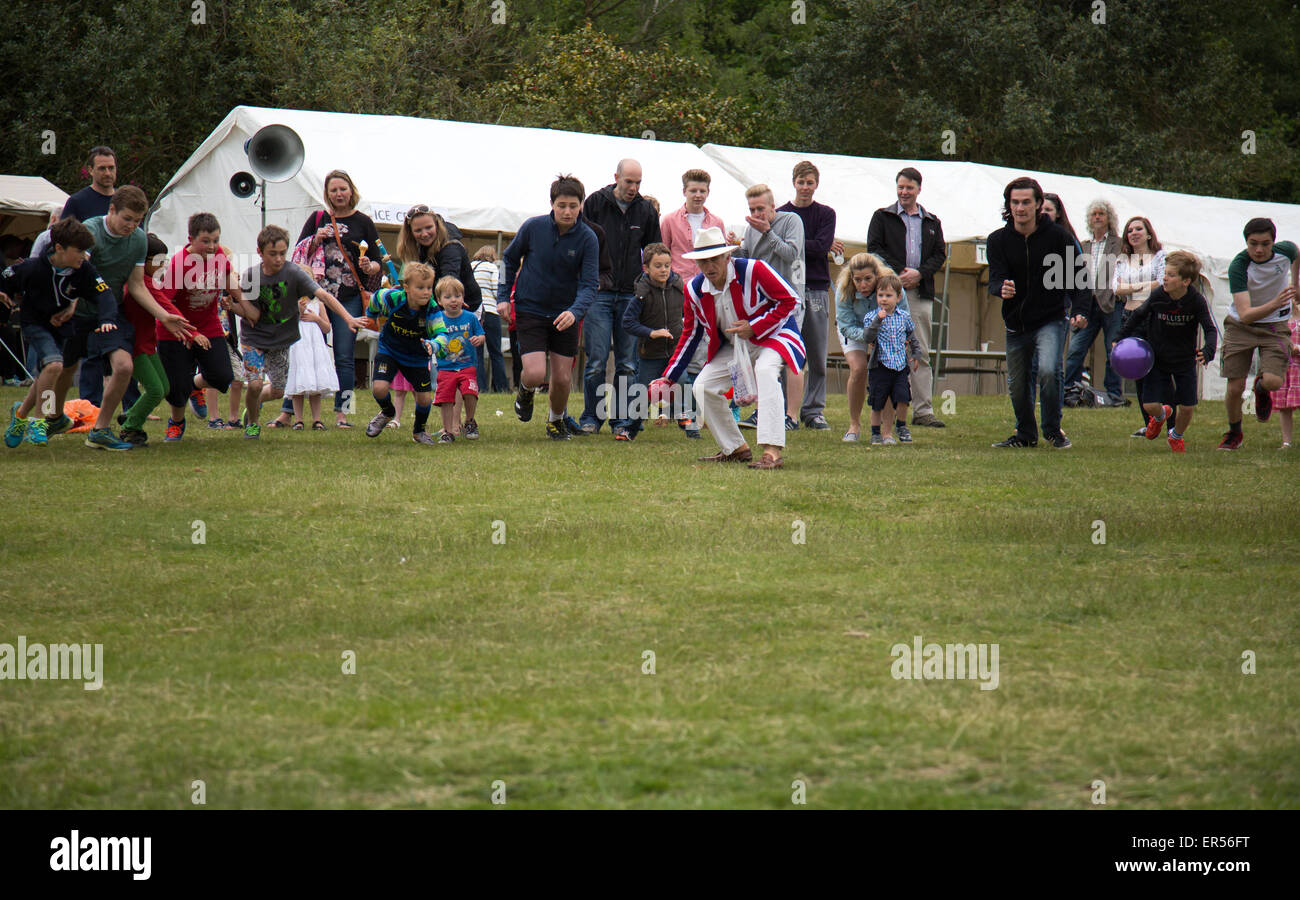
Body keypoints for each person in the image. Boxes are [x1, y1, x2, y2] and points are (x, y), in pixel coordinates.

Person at [32, 186, 195, 449]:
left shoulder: (139, 240)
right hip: (76, 312)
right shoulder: (91, 231)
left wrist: (164, 316)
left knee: (124, 367)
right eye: (127, 219)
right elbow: (76, 271)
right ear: (111, 210)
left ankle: (101, 429)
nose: (131, 226)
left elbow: (137, 285)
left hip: (110, 312)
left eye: (137, 221)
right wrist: (71, 303)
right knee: (61, 370)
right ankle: (52, 416)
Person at [650, 226, 805, 470]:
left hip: (774, 336)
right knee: (703, 387)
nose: (709, 266)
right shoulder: (694, 290)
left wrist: (754, 326)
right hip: (734, 346)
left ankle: (772, 451)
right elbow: (690, 334)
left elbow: (790, 299)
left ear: (727, 257)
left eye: (714, 259)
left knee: (765, 371)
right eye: (703, 261)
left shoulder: (754, 269)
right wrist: (669, 378)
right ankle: (735, 448)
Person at [986, 176, 1090, 449]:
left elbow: (1079, 279)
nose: (1020, 208)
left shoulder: (1059, 238)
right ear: (1009, 205)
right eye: (1015, 202)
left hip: (1051, 318)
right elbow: (995, 277)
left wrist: (1080, 310)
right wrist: (1001, 288)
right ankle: (1025, 435)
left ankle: (1054, 431)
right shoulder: (998, 240)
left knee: (1047, 370)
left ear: (1039, 204)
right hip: (1016, 323)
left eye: (1026, 202)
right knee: (1018, 383)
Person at [230, 225, 362, 439]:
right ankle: (253, 424)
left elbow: (324, 296)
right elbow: (249, 313)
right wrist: (233, 306)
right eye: (273, 254)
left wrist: (348, 317)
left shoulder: (294, 273)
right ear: (260, 252)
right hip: (253, 338)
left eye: (282, 253)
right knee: (254, 384)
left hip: (281, 340)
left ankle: (253, 407)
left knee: (279, 390)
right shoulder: (252, 276)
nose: (279, 259)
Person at [500, 174, 600, 441]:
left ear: (581, 205)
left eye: (573, 206)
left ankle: (555, 421)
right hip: (530, 309)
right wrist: (502, 297)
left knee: (563, 379)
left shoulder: (588, 238)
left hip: (565, 315)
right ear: (552, 204)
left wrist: (575, 312)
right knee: (534, 373)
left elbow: (591, 284)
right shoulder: (533, 227)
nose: (567, 211)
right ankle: (525, 389)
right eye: (562, 205)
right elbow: (509, 259)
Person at [1, 219, 109, 447]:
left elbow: (104, 294)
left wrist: (107, 318)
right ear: (59, 248)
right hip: (35, 325)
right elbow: (5, 278)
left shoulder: (84, 271)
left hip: (61, 329)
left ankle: (20, 415)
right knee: (54, 367)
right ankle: (40, 422)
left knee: (47, 375)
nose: (84, 256)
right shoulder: (31, 267)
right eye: (79, 251)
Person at [579, 159, 661, 436]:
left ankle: (624, 420)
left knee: (627, 363)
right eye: (629, 182)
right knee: (596, 361)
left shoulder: (646, 211)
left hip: (631, 295)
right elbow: (581, 244)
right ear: (616, 178)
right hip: (599, 294)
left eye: (638, 183)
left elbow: (654, 253)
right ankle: (591, 416)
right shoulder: (595, 204)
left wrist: (648, 289)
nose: (634, 188)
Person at [295, 170, 381, 428]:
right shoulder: (318, 218)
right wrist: (315, 239)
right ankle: (294, 412)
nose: (339, 194)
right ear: (327, 194)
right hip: (315, 295)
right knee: (305, 352)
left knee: (345, 355)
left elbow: (378, 261)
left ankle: (343, 413)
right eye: (333, 190)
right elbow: (298, 255)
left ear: (351, 190)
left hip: (349, 296)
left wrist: (369, 267)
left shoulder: (363, 221)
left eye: (343, 189)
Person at [152, 212, 245, 442]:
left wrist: (246, 305)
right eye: (206, 241)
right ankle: (176, 423)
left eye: (215, 240)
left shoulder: (220, 256)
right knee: (176, 386)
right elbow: (164, 303)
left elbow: (230, 283)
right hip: (175, 330)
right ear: (191, 239)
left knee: (223, 376)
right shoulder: (179, 263)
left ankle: (195, 386)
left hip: (208, 324)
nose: (212, 246)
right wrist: (191, 333)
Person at [867, 167, 948, 428]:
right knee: (886, 349)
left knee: (919, 349)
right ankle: (887, 407)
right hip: (889, 294)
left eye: (909, 187)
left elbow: (939, 255)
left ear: (918, 189)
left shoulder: (932, 222)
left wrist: (919, 274)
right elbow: (874, 248)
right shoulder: (882, 217)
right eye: (900, 187)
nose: (904, 191)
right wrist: (897, 273)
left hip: (920, 293)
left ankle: (923, 410)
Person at [1114, 251, 1218, 453]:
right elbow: (1137, 315)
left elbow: (1210, 329)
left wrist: (1208, 350)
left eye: (1171, 275)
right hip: (1158, 358)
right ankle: (1161, 416)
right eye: (1165, 274)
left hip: (1184, 360)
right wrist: (1118, 337)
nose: (1164, 278)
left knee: (1187, 408)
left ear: (1185, 281)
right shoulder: (1158, 295)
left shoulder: (1196, 301)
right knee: (1149, 405)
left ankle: (1176, 436)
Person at [1217, 218, 1297, 450]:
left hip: (1275, 327)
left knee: (1274, 381)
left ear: (1274, 242)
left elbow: (1297, 254)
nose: (1259, 250)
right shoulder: (1238, 266)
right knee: (1234, 386)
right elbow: (1246, 315)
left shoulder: (1286, 251)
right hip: (1241, 326)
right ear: (1246, 243)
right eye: (1253, 244)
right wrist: (1276, 302)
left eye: (1265, 243)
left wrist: (1297, 284)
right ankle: (1234, 432)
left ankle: (1261, 388)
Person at [779, 160, 842, 429]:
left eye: (810, 182)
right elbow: (811, 247)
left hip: (815, 287)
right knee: (787, 352)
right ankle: (784, 409)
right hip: (786, 288)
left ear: (817, 184)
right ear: (794, 182)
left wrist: (790, 244)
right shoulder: (780, 213)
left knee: (816, 352)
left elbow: (819, 248)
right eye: (801, 182)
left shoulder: (826, 214)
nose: (805, 187)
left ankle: (813, 410)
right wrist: (811, 245)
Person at [738, 183, 805, 431]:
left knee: (790, 357)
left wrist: (767, 232)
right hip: (763, 303)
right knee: (762, 356)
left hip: (790, 301)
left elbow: (791, 254)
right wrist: (736, 247)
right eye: (752, 209)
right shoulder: (751, 228)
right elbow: (748, 260)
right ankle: (761, 411)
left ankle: (791, 417)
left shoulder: (791, 221)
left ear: (772, 206)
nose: (756, 214)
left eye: (760, 209)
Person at [362, 263, 449, 444]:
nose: (426, 292)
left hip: (416, 357)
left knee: (425, 399)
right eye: (420, 287)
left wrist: (434, 344)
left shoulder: (432, 309)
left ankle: (419, 431)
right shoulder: (393, 298)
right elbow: (376, 297)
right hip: (390, 351)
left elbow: (443, 334)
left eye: (429, 287)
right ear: (407, 288)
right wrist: (371, 314)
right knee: (379, 388)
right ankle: (387, 412)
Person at [116, 233, 189, 445]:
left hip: (148, 344)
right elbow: (166, 307)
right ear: (142, 260)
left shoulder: (148, 281)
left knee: (164, 388)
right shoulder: (140, 283)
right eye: (158, 261)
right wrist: (192, 332)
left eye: (163, 261)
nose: (162, 266)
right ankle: (131, 428)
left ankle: (130, 416)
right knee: (156, 390)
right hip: (135, 345)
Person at [834, 253, 910, 442]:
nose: (863, 285)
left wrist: (903, 338)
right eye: (858, 280)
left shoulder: (891, 285)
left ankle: (886, 432)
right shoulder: (844, 290)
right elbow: (845, 325)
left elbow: (904, 314)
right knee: (859, 368)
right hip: (855, 331)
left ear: (877, 275)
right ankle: (854, 425)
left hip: (886, 330)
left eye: (868, 279)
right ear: (851, 278)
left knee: (887, 372)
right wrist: (867, 336)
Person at [621, 242, 692, 439]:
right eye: (658, 266)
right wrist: (652, 333)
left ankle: (689, 426)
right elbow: (627, 322)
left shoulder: (679, 287)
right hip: (650, 353)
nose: (663, 270)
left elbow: (690, 310)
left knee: (684, 381)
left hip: (675, 351)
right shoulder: (641, 293)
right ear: (646, 268)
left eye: (667, 265)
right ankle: (630, 428)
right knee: (643, 393)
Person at [1063, 199, 1125, 402]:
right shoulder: (1083, 245)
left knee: (1113, 350)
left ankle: (1114, 395)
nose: (1097, 217)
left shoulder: (1119, 243)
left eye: (1101, 214)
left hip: (1111, 303)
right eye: (1093, 214)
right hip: (1087, 305)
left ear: (1109, 218)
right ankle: (1068, 390)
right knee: (1075, 349)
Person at [1113, 216, 1167, 435]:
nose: (1133, 233)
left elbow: (1163, 284)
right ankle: (1149, 423)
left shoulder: (1159, 256)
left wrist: (1132, 287)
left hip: (1153, 317)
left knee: (1157, 368)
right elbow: (1116, 289)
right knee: (1138, 368)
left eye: (1138, 229)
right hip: (1129, 317)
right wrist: (1146, 286)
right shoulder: (1122, 260)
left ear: (1148, 233)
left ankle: (1165, 414)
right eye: (1129, 230)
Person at [863, 274, 923, 445]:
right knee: (878, 402)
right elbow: (867, 337)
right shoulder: (871, 316)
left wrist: (916, 355)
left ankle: (901, 426)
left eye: (888, 296)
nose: (884, 299)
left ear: (898, 297)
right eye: (880, 295)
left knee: (903, 398)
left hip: (899, 366)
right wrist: (877, 320)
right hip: (880, 366)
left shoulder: (903, 317)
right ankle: (876, 433)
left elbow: (912, 337)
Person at [432, 275, 485, 442]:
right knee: (446, 399)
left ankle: (470, 421)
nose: (453, 300)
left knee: (470, 392)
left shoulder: (470, 317)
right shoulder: (437, 319)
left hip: (467, 365)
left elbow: (481, 335)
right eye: (447, 297)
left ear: (463, 298)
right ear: (439, 301)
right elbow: (431, 338)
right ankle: (447, 431)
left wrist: (479, 339)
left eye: (457, 296)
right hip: (445, 367)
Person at [661, 169, 726, 281]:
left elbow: (722, 256)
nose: (698, 195)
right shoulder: (669, 220)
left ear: (708, 192)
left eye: (702, 191)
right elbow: (662, 254)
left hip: (708, 282)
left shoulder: (717, 222)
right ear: (684, 191)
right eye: (693, 191)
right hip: (679, 284)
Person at [284, 291, 337, 430]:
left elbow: (327, 328)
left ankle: (317, 420)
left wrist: (317, 318)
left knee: (315, 383)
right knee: (298, 381)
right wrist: (299, 311)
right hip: (298, 344)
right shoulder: (290, 302)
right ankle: (298, 419)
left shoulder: (319, 304)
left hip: (314, 347)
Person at [471, 245, 508, 393]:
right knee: (495, 352)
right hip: (490, 311)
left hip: (474, 313)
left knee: (477, 353)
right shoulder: (492, 267)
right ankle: (502, 388)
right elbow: (496, 290)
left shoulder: (469, 266)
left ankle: (480, 387)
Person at [1271, 299, 1300, 449]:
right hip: (1284, 368)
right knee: (1284, 407)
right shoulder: (1276, 324)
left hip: (1298, 368)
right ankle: (1286, 441)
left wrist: (1297, 348)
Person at [61, 146, 117, 223]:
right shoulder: (77, 202)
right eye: (102, 168)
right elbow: (62, 233)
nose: (107, 173)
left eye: (111, 168)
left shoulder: (124, 200)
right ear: (91, 170)